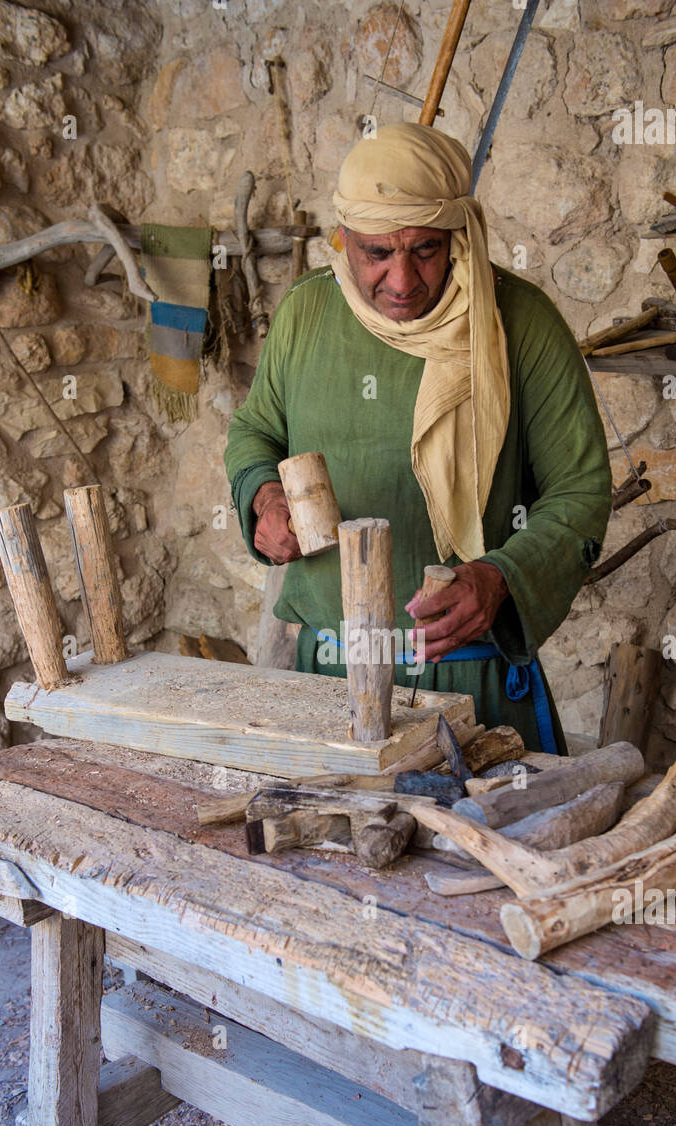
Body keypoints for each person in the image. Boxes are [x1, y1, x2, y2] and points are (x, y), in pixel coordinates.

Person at [224, 122, 611, 753]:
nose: (402, 281)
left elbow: (581, 489)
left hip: (472, 685)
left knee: (488, 846)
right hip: (329, 678)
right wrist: (263, 498)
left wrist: (498, 576)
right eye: (378, 253)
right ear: (343, 239)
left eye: (427, 250)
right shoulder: (305, 312)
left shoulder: (520, 321)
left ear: (460, 235)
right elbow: (255, 432)